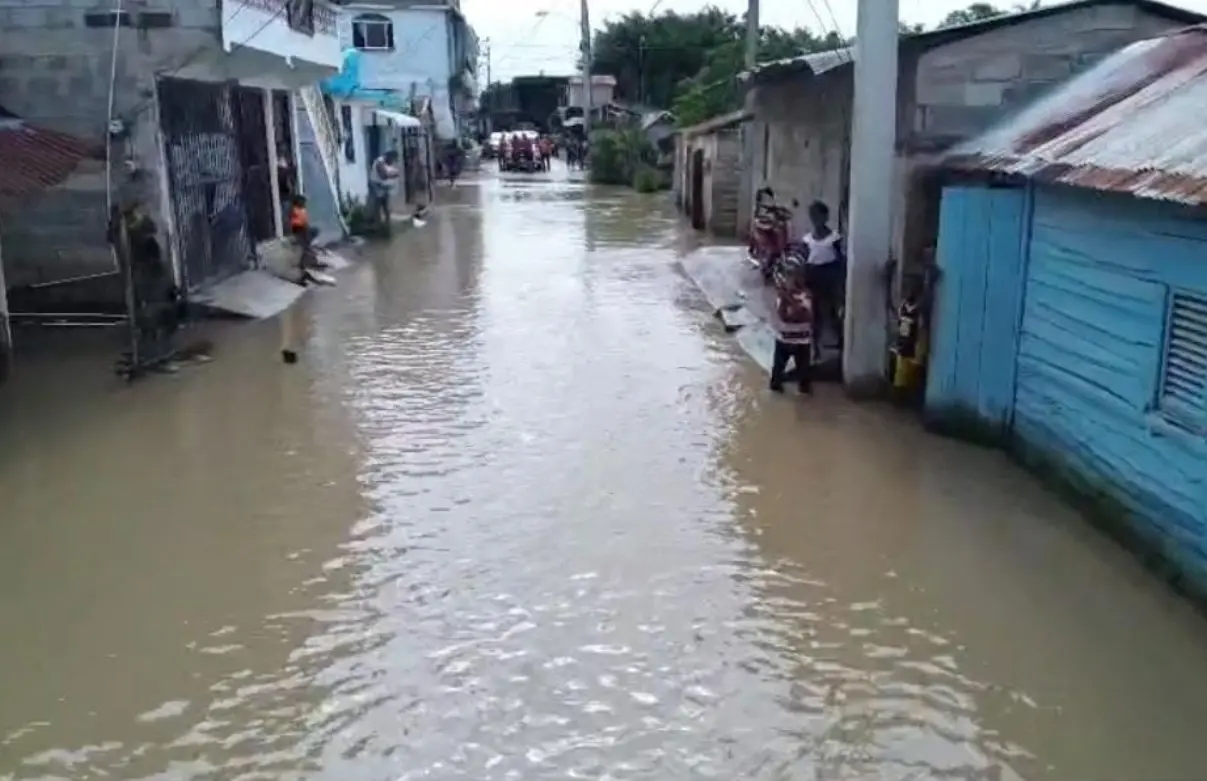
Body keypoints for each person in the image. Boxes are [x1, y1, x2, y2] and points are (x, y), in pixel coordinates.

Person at [800, 200, 845, 359]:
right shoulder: (807, 239)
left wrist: (840, 284)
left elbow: (841, 261)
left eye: (818, 216)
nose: (815, 219)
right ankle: (815, 348)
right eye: (812, 216)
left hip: (829, 276)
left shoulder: (834, 238)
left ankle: (841, 343)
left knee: (832, 312)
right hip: (812, 276)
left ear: (825, 217)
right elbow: (804, 259)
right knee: (814, 314)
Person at [770, 259, 814, 395]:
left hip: (802, 341)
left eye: (792, 277)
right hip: (784, 339)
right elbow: (783, 316)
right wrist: (796, 309)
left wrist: (794, 308)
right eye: (788, 277)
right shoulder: (782, 296)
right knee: (777, 377)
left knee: (804, 377)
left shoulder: (806, 294)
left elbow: (808, 316)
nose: (790, 280)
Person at [369, 150, 400, 233]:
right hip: (377, 186)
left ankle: (386, 225)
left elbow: (388, 173)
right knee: (378, 206)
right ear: (389, 157)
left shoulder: (385, 163)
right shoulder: (380, 162)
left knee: (386, 206)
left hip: (382, 186)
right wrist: (394, 174)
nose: (393, 162)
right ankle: (377, 227)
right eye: (393, 160)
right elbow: (384, 175)